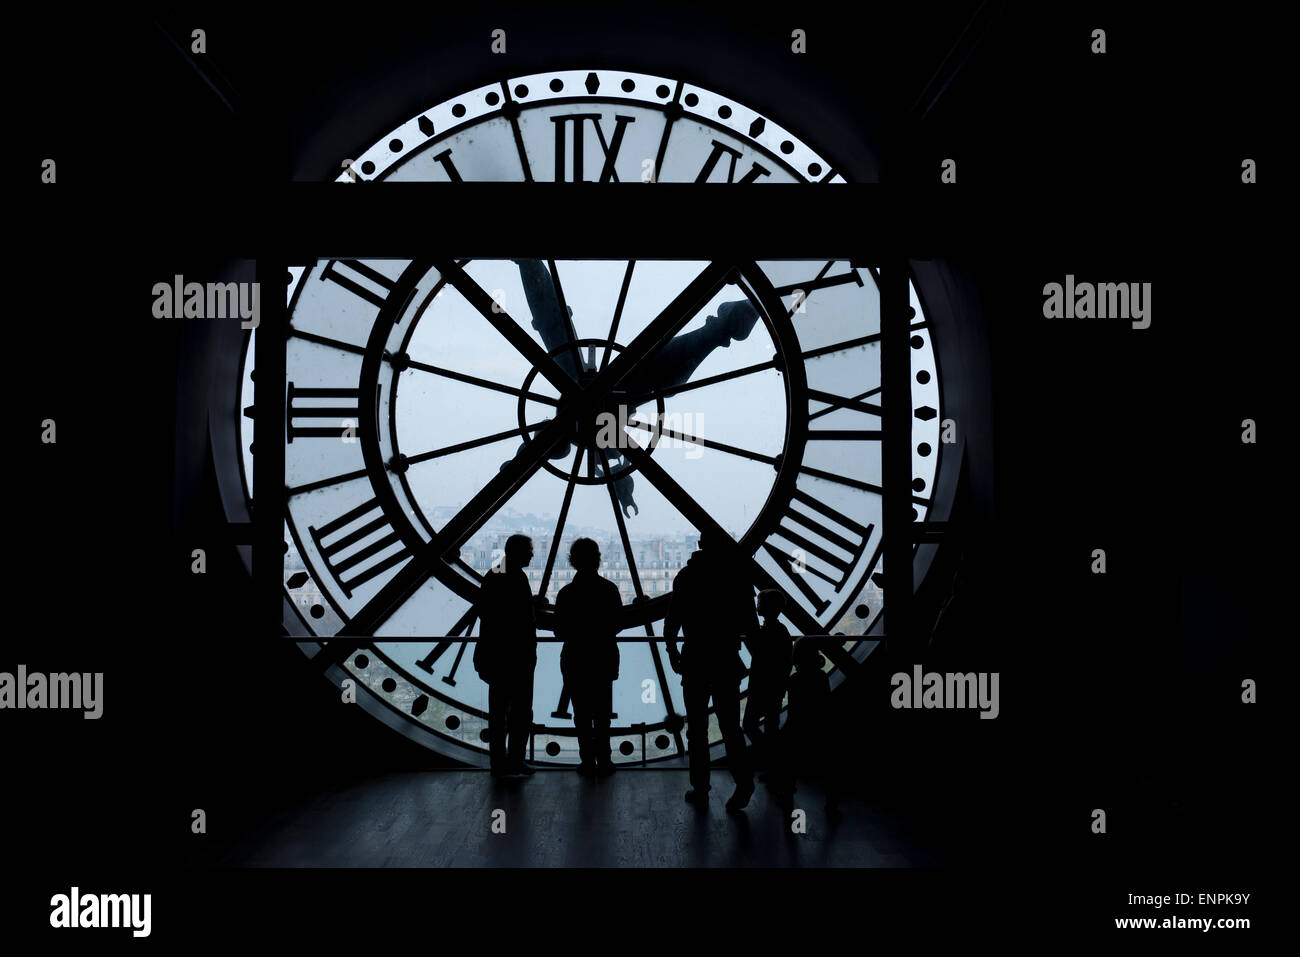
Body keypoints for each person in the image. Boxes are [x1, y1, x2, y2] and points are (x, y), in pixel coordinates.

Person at [665, 529, 757, 812]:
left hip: (695, 659)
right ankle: (743, 782)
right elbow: (749, 626)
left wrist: (673, 652)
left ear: (700, 545)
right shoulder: (737, 578)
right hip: (726, 659)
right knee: (731, 727)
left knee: (697, 730)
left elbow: (672, 621)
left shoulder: (686, 577)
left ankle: (701, 786)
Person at [554, 538, 622, 776]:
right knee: (602, 715)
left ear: (573, 561)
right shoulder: (609, 590)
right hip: (603, 657)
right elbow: (617, 625)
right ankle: (604, 760)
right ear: (597, 558)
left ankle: (587, 761)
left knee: (581, 715)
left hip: (576, 658)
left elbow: (559, 631)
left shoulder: (566, 594)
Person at [473, 535, 540, 777]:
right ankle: (515, 760)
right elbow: (520, 617)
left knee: (499, 712)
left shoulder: (496, 575)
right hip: (518, 658)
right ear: (519, 552)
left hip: (499, 657)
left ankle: (500, 763)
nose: (533, 555)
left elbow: (491, 614)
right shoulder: (515, 577)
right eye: (530, 551)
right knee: (520, 713)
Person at [782, 638, 840, 816]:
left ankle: (787, 797)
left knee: (789, 765)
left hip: (798, 729)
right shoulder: (821, 678)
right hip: (820, 728)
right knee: (827, 765)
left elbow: (793, 711)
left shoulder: (794, 680)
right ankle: (832, 801)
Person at [743, 589, 793, 782]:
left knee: (750, 725)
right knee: (770, 728)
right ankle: (776, 766)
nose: (757, 606)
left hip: (761, 686)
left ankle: (774, 763)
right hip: (772, 687)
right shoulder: (780, 632)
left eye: (759, 602)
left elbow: (758, 650)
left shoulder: (768, 631)